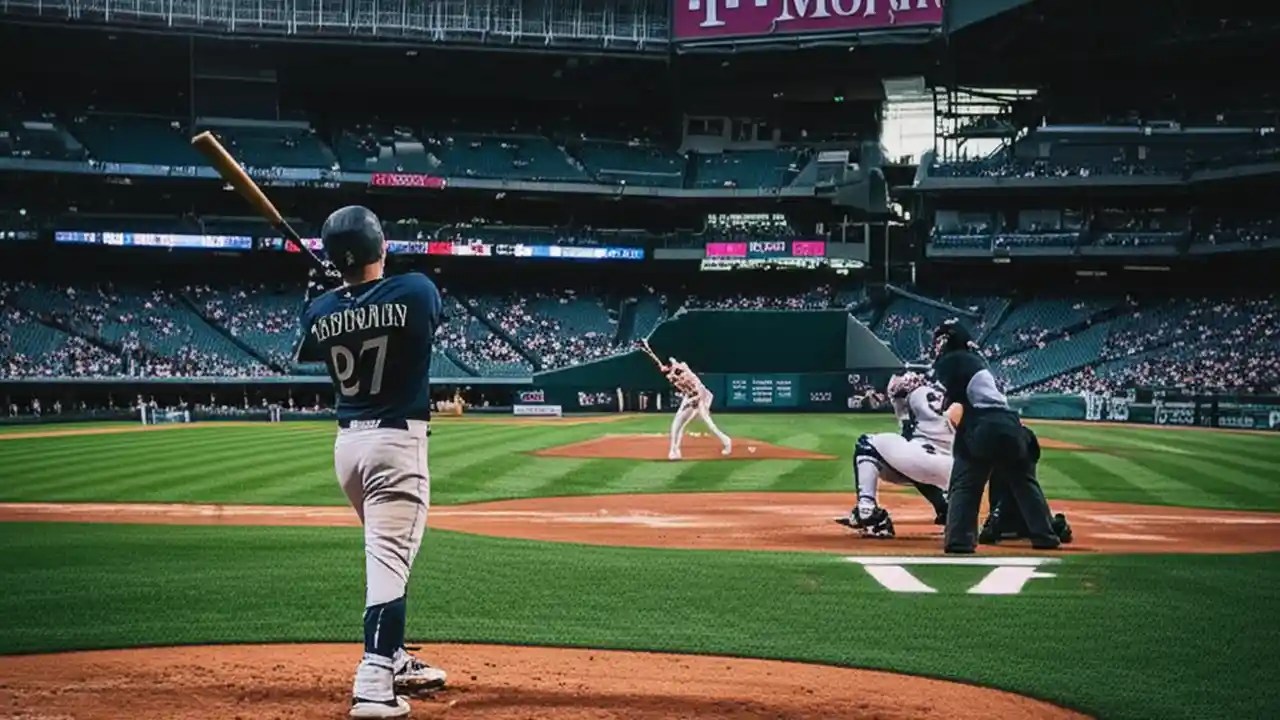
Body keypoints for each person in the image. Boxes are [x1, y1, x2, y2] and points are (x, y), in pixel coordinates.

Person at [300, 205, 446, 719]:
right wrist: (360, 294)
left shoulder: (317, 309)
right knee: (388, 564)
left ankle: (397, 658)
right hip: (394, 445)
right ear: (381, 247)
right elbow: (425, 323)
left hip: (349, 451)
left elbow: (313, 345)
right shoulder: (416, 290)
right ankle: (373, 684)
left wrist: (342, 298)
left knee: (392, 556)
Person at [931, 319, 1060, 554]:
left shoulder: (951, 361)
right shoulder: (978, 362)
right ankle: (1045, 535)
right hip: (1011, 424)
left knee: (965, 484)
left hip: (982, 424)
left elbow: (950, 402)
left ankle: (960, 540)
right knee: (1024, 482)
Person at [838, 371, 953, 538]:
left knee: (866, 444)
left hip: (926, 460)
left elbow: (907, 433)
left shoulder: (911, 397)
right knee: (914, 461)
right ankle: (947, 509)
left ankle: (867, 510)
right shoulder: (945, 396)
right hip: (955, 469)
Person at [640, 346, 731, 460]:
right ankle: (674, 451)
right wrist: (649, 351)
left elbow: (699, 394)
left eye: (668, 367)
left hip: (701, 397)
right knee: (677, 424)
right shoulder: (674, 371)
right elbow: (664, 364)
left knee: (708, 423)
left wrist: (690, 403)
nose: (665, 369)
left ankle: (726, 441)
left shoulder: (684, 374)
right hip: (690, 397)